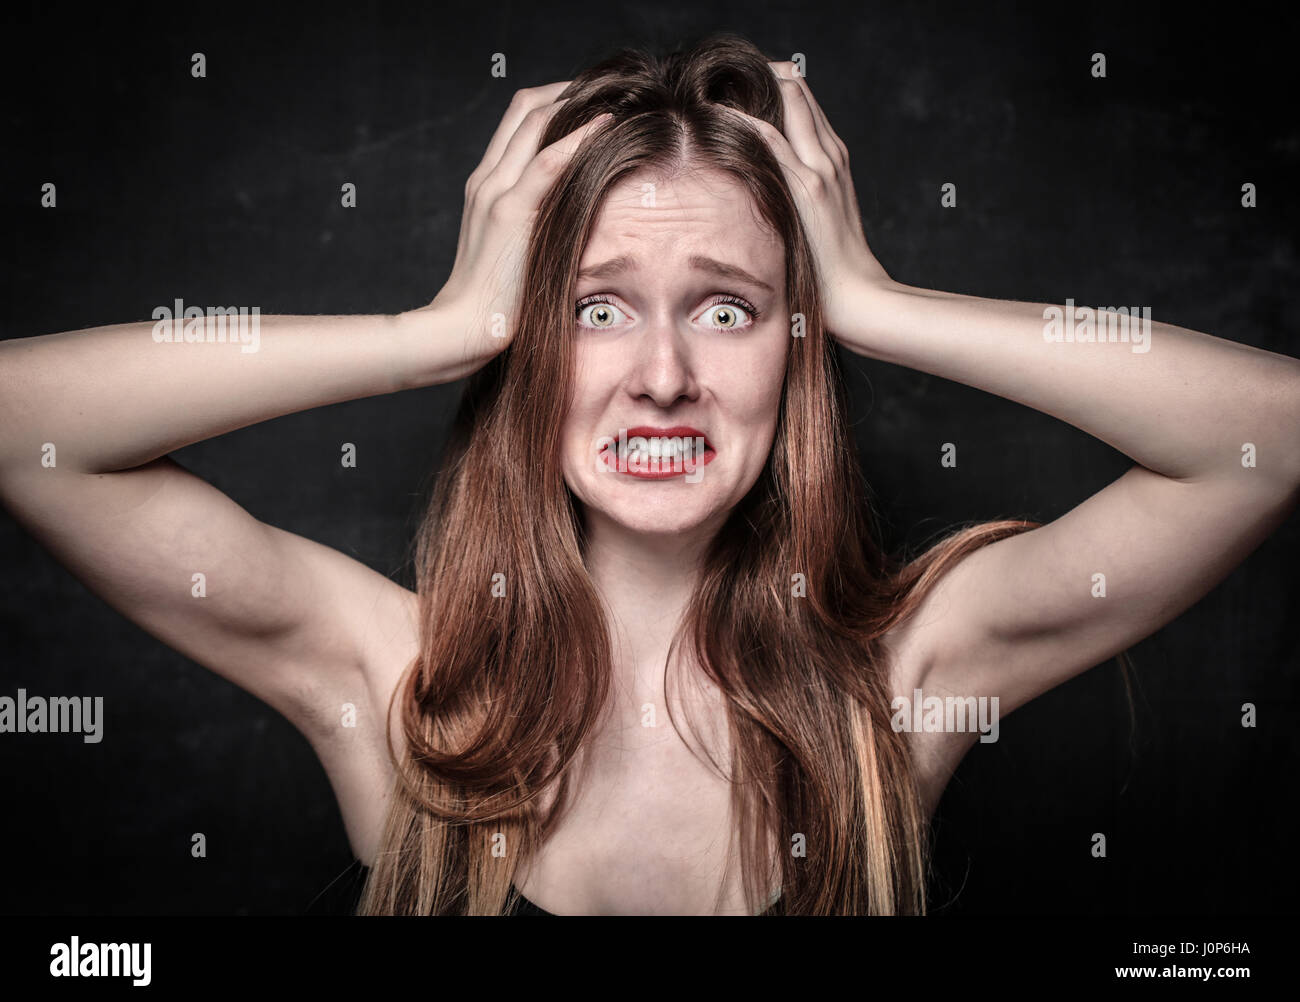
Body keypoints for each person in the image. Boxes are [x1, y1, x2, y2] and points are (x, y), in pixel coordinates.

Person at [1, 32, 1296, 916]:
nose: (663, 374)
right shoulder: (401, 695)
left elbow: (1270, 435)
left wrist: (876, 303)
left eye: (727, 311)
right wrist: (437, 333)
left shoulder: (902, 686)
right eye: (597, 309)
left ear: (795, 346)